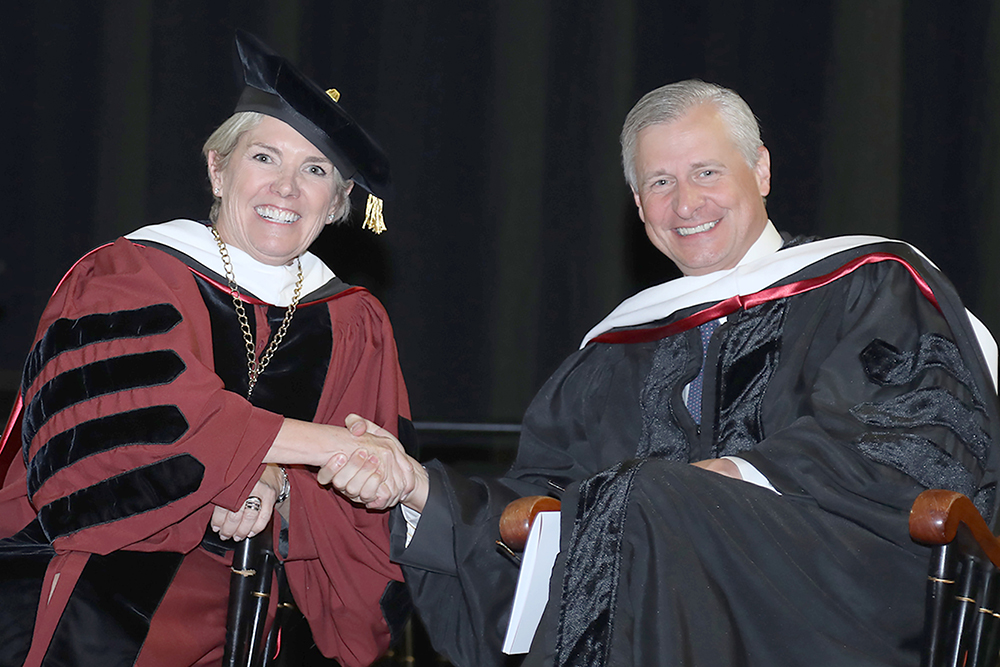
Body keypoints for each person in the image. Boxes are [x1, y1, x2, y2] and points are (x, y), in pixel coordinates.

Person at [329, 80, 1000, 666]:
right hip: (648, 617)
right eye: (660, 182)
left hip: (832, 605)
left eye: (707, 171)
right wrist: (419, 490)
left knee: (645, 496)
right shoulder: (613, 351)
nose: (686, 203)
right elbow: (539, 507)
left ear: (760, 169)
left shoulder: (868, 285)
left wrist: (720, 482)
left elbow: (916, 440)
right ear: (638, 203)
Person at [0, 30, 415, 667]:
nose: (286, 188)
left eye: (315, 171)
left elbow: (363, 519)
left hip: (252, 621)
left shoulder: (354, 322)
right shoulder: (131, 274)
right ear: (218, 169)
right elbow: (124, 432)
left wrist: (275, 487)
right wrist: (322, 446)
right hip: (88, 602)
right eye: (264, 158)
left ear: (337, 205)